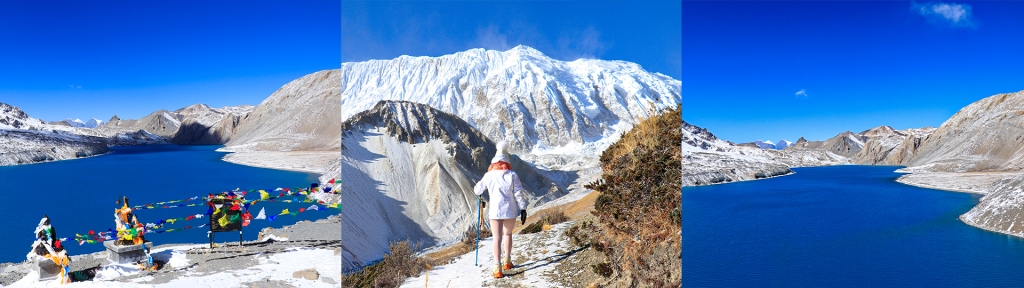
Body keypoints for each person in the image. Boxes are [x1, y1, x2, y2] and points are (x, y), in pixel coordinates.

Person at [474, 141, 528, 278]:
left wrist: (480, 187)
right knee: (508, 235)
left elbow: (478, 190)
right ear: (506, 161)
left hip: (495, 211)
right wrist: (523, 208)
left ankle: (497, 268)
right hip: (510, 210)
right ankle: (507, 261)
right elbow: (519, 193)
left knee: (497, 239)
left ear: (494, 162)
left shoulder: (489, 175)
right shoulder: (512, 174)